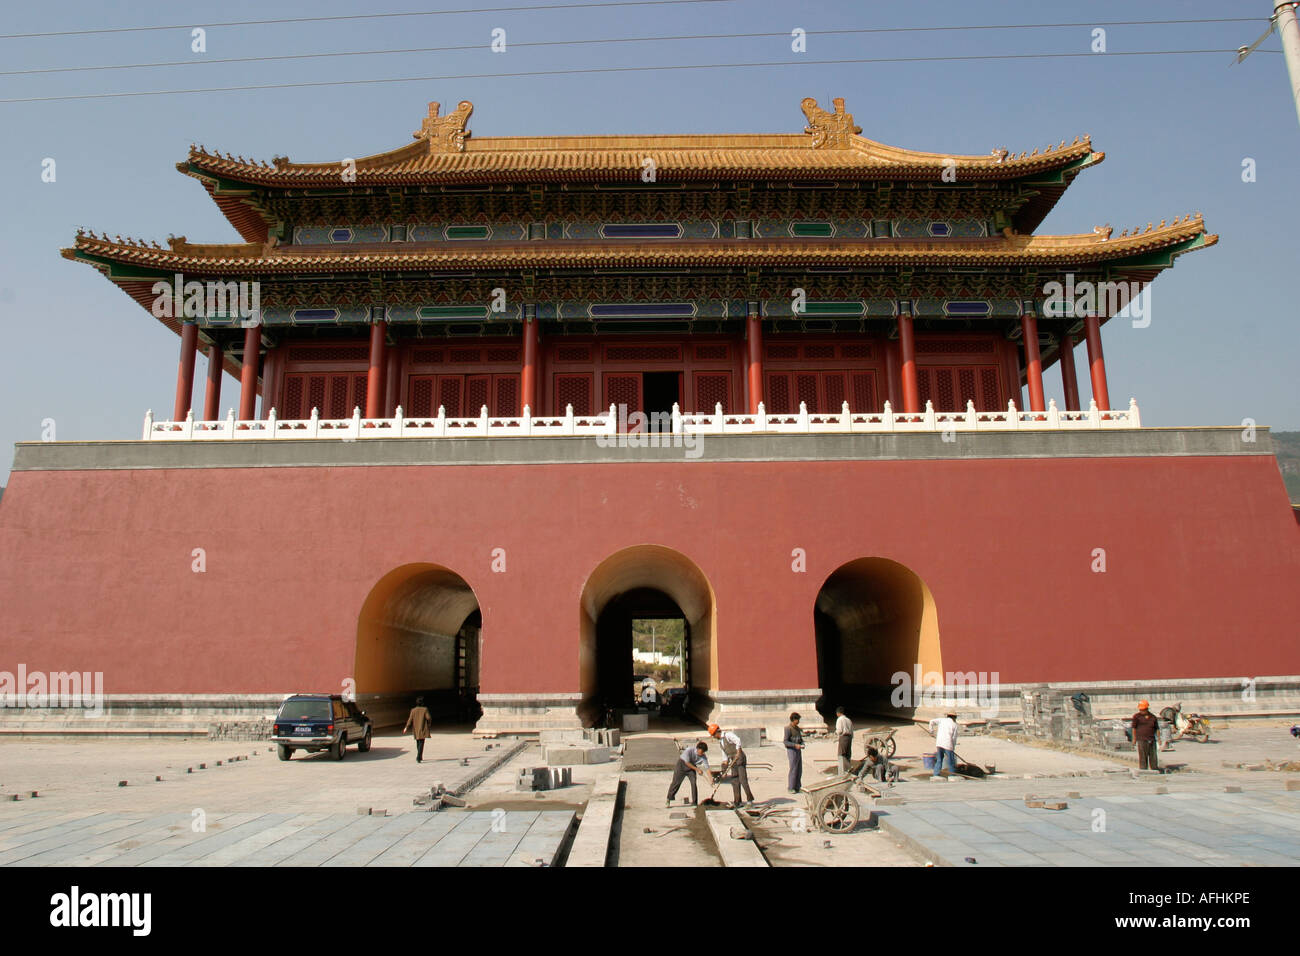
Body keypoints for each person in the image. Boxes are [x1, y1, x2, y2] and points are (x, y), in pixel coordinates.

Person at [708, 722, 755, 807]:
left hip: (739, 758)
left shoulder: (728, 735)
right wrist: (724, 771)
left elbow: (738, 740)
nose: (714, 737)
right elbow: (725, 759)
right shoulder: (721, 743)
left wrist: (738, 751)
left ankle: (750, 800)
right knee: (735, 781)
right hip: (733, 761)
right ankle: (737, 801)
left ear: (716, 733)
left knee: (742, 779)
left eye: (714, 735)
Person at [666, 740, 711, 806]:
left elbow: (707, 768)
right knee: (676, 783)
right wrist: (697, 769)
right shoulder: (689, 750)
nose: (702, 754)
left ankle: (694, 802)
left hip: (691, 768)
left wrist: (711, 779)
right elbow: (687, 763)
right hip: (681, 765)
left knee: (693, 783)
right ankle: (669, 799)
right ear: (697, 749)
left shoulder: (703, 756)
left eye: (703, 752)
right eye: (701, 751)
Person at [928, 711, 959, 778]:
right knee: (951, 760)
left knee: (939, 759)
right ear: (954, 717)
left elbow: (931, 722)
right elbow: (954, 738)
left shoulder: (941, 720)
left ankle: (936, 774)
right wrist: (953, 747)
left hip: (939, 743)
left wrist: (931, 731)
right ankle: (951, 775)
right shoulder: (954, 725)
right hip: (948, 744)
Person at [1132, 699, 1161, 771]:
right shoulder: (1136, 717)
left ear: (1147, 709)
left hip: (1151, 739)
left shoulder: (1153, 717)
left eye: (1143, 710)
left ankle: (1154, 769)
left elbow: (1157, 728)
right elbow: (1134, 728)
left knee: (1153, 756)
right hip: (1142, 740)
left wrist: (1159, 738)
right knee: (1143, 757)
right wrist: (1134, 739)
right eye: (1140, 709)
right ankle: (1143, 770)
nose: (1141, 711)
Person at [402, 696, 433, 763]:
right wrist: (429, 724)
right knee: (421, 743)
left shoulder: (413, 710)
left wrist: (406, 727)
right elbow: (429, 718)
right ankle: (418, 757)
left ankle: (420, 756)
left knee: (418, 743)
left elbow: (410, 720)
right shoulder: (425, 709)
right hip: (422, 728)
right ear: (422, 703)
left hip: (416, 729)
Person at [784, 712, 805, 793]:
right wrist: (794, 745)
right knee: (793, 768)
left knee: (799, 769)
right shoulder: (788, 728)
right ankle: (791, 787)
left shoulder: (798, 729)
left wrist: (802, 744)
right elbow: (785, 741)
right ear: (793, 720)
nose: (798, 721)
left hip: (798, 750)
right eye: (797, 720)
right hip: (792, 751)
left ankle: (798, 786)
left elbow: (800, 739)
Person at [834, 706, 853, 775]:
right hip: (849, 738)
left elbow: (839, 730)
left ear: (838, 713)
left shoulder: (840, 719)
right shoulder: (848, 720)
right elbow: (851, 730)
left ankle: (845, 770)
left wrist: (835, 733)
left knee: (841, 755)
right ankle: (847, 772)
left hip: (843, 737)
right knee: (847, 755)